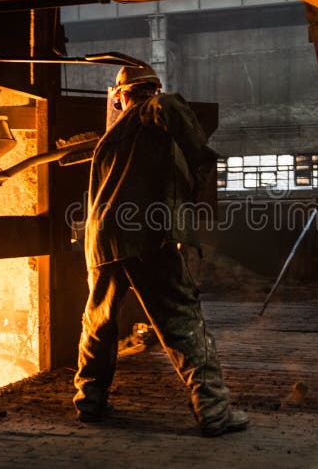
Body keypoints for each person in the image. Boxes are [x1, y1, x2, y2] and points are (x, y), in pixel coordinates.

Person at [73, 62, 249, 437]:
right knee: (183, 322)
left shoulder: (112, 139)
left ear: (119, 97)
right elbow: (163, 108)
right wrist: (202, 159)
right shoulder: (155, 110)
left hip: (103, 241)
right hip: (147, 237)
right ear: (151, 89)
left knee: (98, 325)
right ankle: (214, 412)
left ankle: (89, 402)